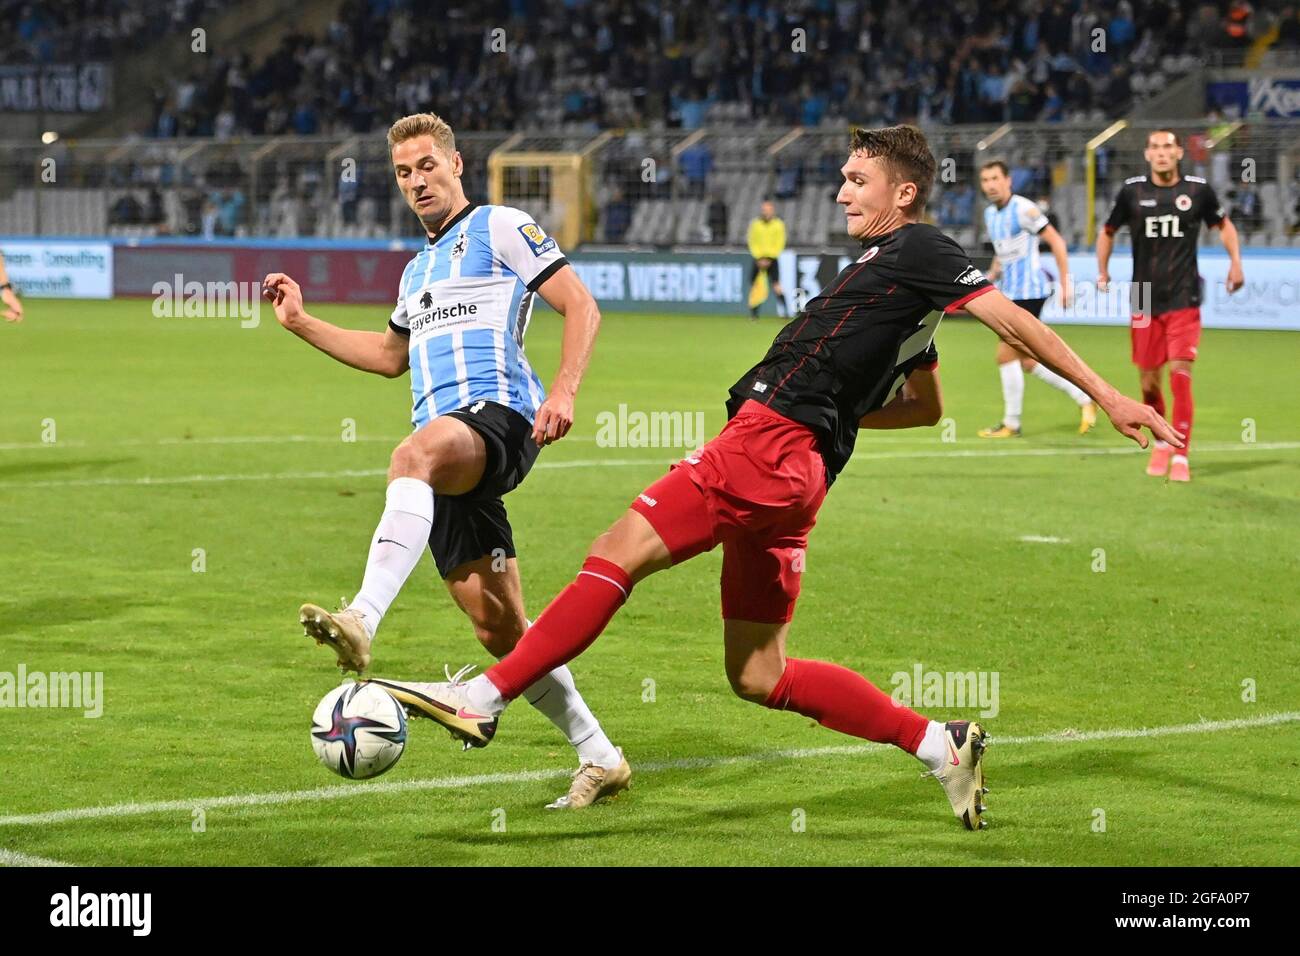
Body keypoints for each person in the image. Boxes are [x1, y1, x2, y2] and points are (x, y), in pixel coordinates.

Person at [361, 126, 1182, 831]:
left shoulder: (923, 249)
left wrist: (1107, 394)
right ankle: (941, 744)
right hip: (797, 469)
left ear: (904, 191)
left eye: (857, 180)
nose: (840, 191)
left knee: (615, 551)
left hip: (766, 444)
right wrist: (835, 418)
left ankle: (487, 698)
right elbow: (925, 406)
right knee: (757, 673)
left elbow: (1013, 319)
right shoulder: (898, 285)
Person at [262, 112, 629, 809]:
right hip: (448, 452)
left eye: (428, 164)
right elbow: (389, 357)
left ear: (456, 164)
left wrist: (565, 390)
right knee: (500, 629)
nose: (417, 180)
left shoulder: (498, 226)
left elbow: (579, 304)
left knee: (410, 453)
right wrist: (302, 323)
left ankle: (364, 617)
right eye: (404, 172)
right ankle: (600, 755)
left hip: (501, 421)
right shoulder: (416, 270)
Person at [1097, 129, 1244, 482]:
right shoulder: (1132, 192)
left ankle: (1181, 453)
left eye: (1168, 147)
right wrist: (1102, 271)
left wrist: (1235, 262)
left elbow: (1224, 226)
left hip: (1184, 296)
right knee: (1149, 382)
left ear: (1179, 152)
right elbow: (1107, 231)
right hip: (1144, 297)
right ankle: (1162, 440)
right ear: (1147, 155)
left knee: (1181, 374)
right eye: (1155, 148)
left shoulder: (1198, 190)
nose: (1161, 153)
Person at [976, 160, 1096, 437]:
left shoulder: (1024, 209)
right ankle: (1085, 399)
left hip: (1029, 293)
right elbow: (1003, 251)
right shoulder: (991, 214)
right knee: (1029, 361)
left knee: (1005, 355)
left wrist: (1065, 283)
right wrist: (992, 275)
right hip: (1010, 293)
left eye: (995, 178)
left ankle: (1011, 423)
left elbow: (1057, 241)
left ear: (1008, 181)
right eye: (985, 180)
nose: (990, 185)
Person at [746, 199, 788, 319]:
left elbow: (780, 242)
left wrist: (769, 257)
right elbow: (752, 241)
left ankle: (785, 312)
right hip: (758, 259)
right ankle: (754, 314)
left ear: (772, 210)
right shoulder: (755, 224)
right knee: (755, 286)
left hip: (772, 259)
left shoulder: (778, 224)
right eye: (764, 209)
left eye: (768, 209)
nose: (766, 212)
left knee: (776, 285)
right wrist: (759, 257)